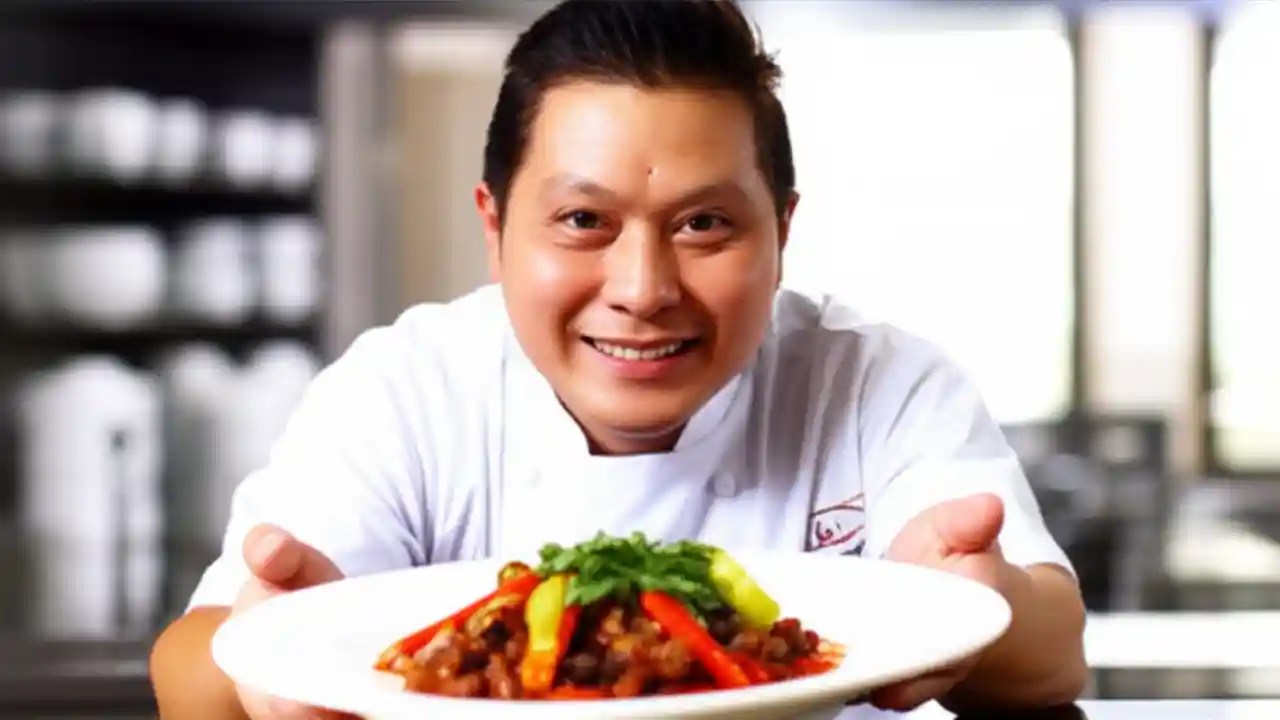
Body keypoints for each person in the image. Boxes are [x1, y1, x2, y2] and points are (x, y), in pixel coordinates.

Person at [149, 1, 1087, 717]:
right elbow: (183, 669)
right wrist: (261, 659)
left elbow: (1056, 657)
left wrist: (977, 604)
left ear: (782, 230)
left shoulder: (875, 382)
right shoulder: (408, 386)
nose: (642, 289)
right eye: (583, 222)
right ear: (496, 225)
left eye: (705, 224)